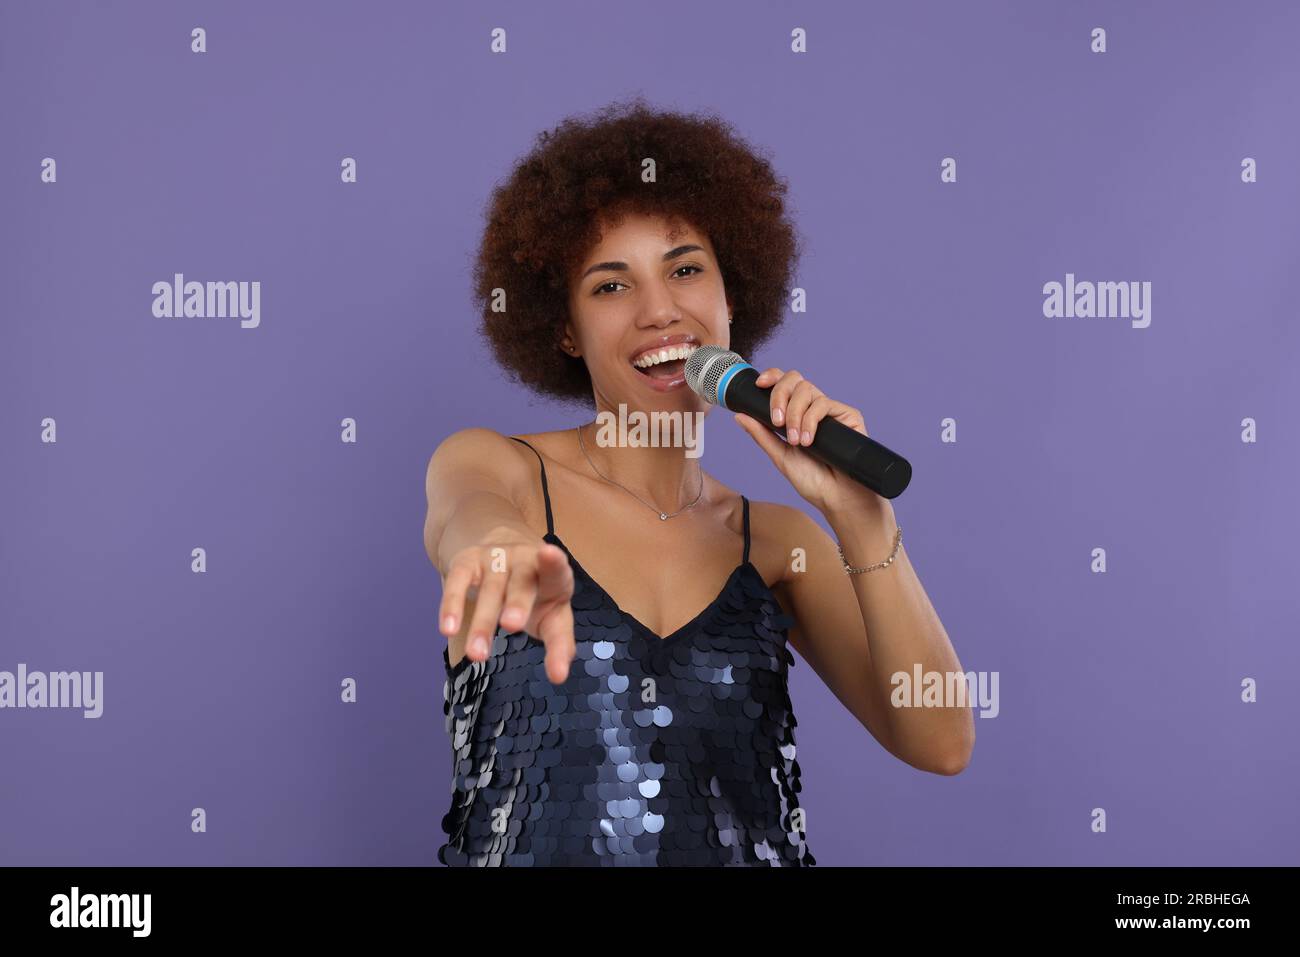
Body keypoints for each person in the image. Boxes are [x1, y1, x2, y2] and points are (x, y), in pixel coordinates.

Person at [424, 97, 972, 866]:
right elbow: (465, 514)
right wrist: (498, 542)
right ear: (563, 329)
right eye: (611, 286)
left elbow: (941, 739)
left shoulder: (778, 543)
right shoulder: (499, 469)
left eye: (685, 270)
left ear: (730, 297)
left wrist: (863, 523)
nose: (659, 311)